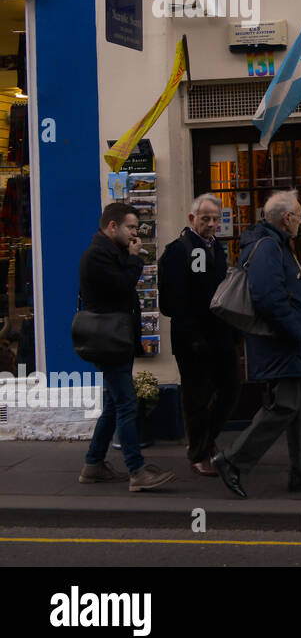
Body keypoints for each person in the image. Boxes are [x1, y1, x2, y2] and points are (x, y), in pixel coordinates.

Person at [212, 190, 301, 498]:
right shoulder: (269, 247)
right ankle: (232, 461)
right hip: (281, 343)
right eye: (299, 215)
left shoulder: (276, 244)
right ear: (286, 218)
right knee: (283, 406)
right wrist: (296, 333)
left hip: (287, 342)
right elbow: (268, 299)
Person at [78, 202, 177, 492]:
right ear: (113, 227)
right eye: (130, 227)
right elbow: (121, 286)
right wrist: (134, 259)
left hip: (116, 339)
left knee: (113, 404)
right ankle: (137, 471)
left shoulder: (111, 251)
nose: (136, 233)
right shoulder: (96, 256)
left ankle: (93, 465)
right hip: (108, 341)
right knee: (127, 403)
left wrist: (129, 256)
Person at [159, 193, 239, 476]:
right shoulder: (178, 250)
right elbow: (172, 302)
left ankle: (206, 439)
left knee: (231, 388)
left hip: (221, 333)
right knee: (196, 397)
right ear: (192, 218)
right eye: (206, 219)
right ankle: (198, 452)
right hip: (192, 337)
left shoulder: (218, 248)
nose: (212, 224)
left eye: (216, 219)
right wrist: (193, 335)